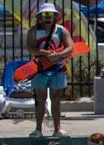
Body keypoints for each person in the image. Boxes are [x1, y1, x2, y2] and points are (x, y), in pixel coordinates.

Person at [26, 3, 73, 137]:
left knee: (56, 99)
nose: (47, 17)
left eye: (50, 14)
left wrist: (58, 55)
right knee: (40, 99)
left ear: (54, 16)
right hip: (40, 68)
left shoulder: (62, 30)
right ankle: (38, 129)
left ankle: (57, 129)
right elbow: (30, 47)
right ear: (40, 16)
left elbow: (70, 47)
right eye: (45, 14)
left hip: (58, 68)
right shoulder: (34, 30)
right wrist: (43, 52)